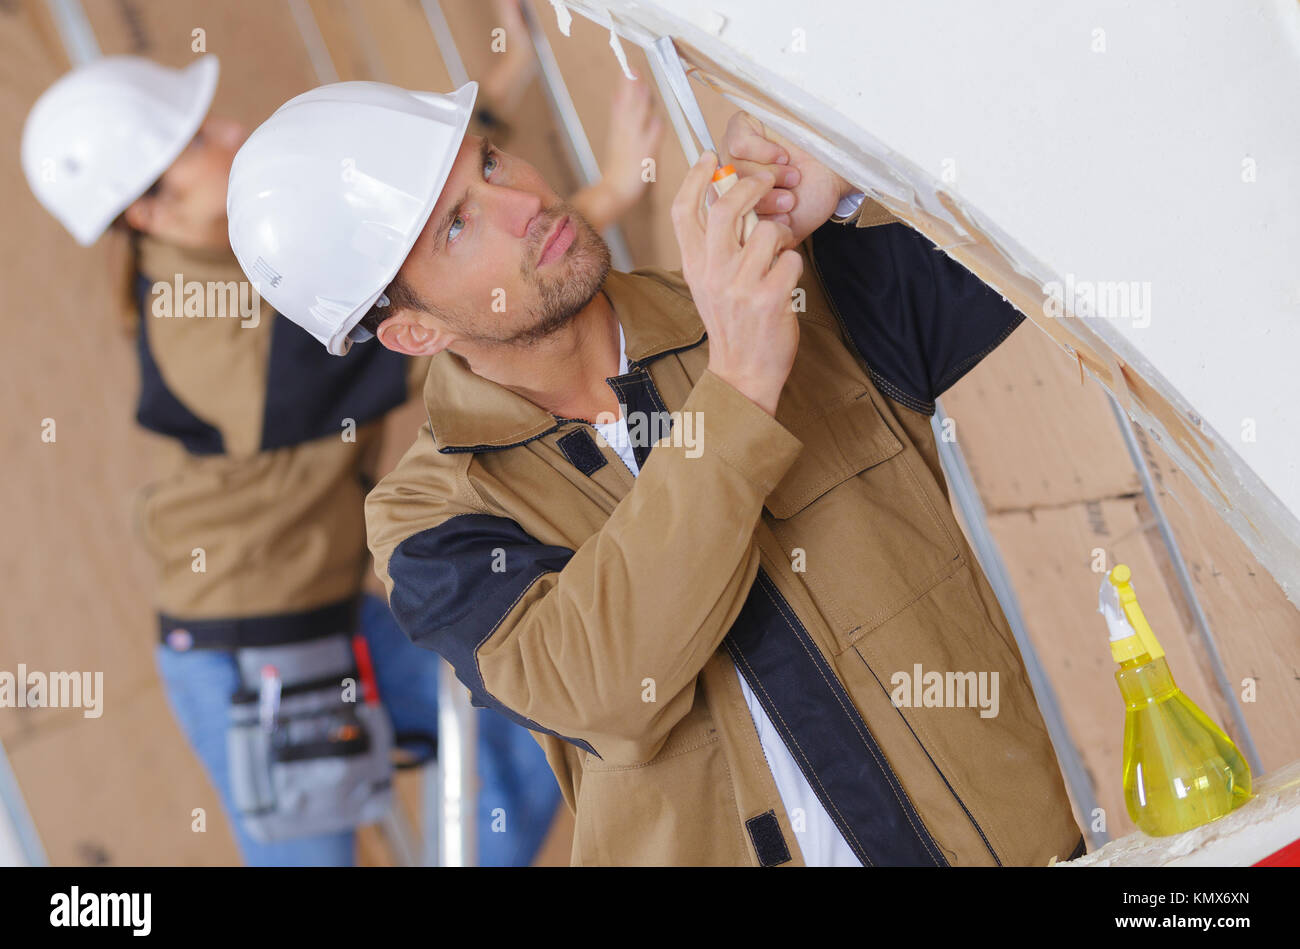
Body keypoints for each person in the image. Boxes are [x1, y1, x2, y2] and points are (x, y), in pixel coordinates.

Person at [227, 78, 1086, 866]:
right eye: (458, 224)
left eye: (491, 163)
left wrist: (852, 156)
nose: (525, 203)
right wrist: (743, 382)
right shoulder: (432, 519)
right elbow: (599, 680)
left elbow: (1075, 197)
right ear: (413, 332)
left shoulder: (797, 300)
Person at [21, 55, 556, 866]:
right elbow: (419, 312)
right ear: (148, 210)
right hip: (249, 647)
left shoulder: (232, 258)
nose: (231, 132)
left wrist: (497, 101)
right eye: (198, 140)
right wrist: (599, 205)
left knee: (530, 726)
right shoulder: (202, 328)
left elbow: (395, 229)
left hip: (328, 607)